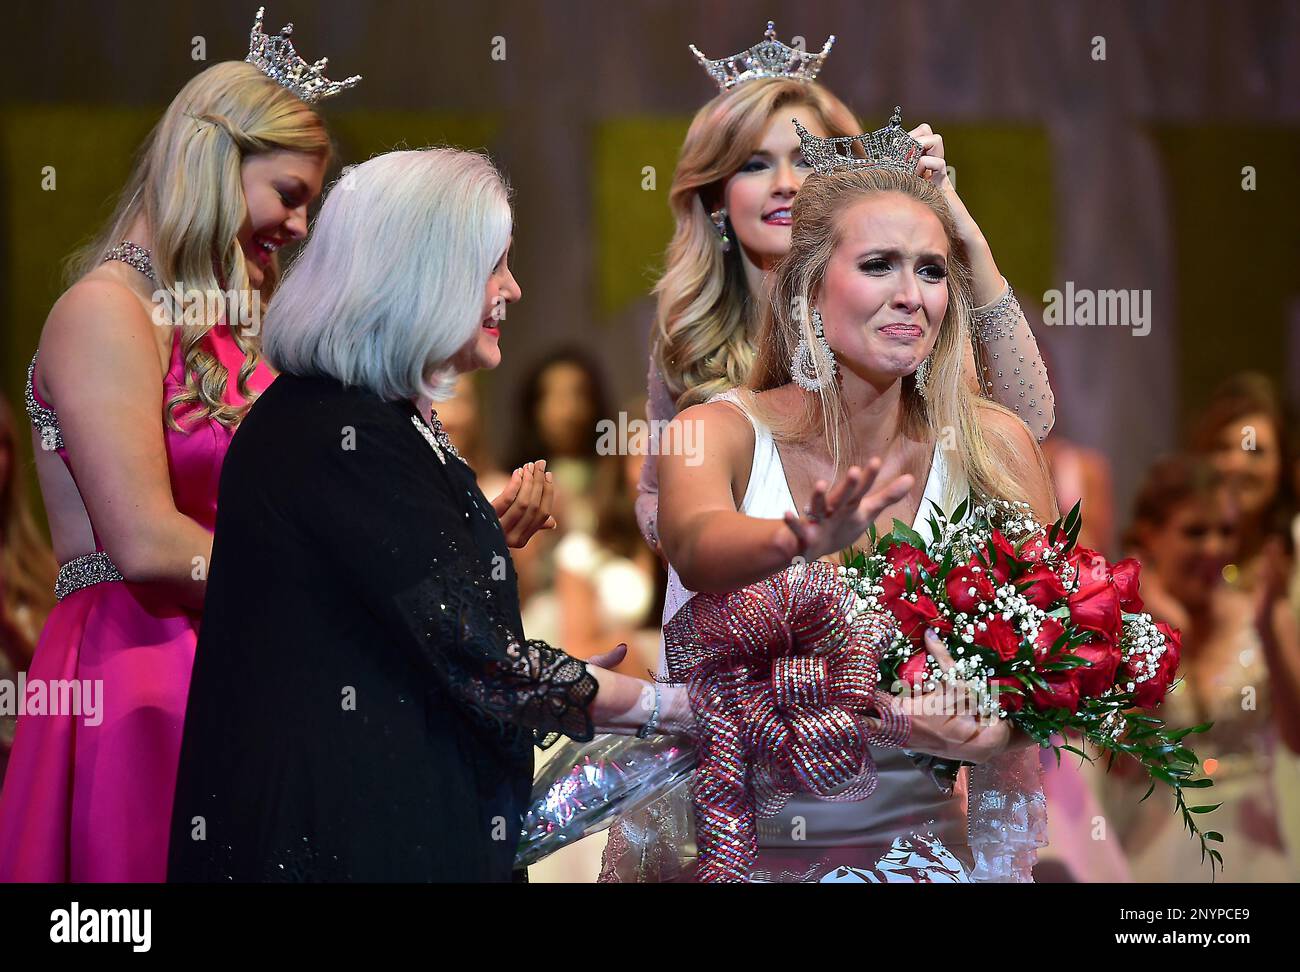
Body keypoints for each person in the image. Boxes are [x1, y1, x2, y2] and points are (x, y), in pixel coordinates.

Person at [166, 147, 691, 883]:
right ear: (421, 272)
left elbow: (431, 631)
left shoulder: (386, 419)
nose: (513, 287)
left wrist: (552, 676)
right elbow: (477, 658)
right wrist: (668, 708)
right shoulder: (334, 429)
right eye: (493, 264)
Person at [603, 114, 1054, 883]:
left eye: (934, 270)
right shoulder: (716, 428)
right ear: (809, 289)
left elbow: (1060, 663)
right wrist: (798, 540)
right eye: (880, 265)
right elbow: (695, 544)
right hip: (732, 850)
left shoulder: (994, 445)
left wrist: (996, 731)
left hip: (928, 862)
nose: (913, 296)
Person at [0, 7, 354, 882]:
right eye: (290, 195)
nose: (301, 228)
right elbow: (149, 543)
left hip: (230, 657)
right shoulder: (103, 312)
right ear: (215, 162)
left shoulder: (221, 325)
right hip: (135, 677)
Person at [636, 22, 1056, 555]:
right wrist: (711, 522)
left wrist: (965, 236)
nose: (786, 183)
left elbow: (1027, 426)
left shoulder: (905, 324)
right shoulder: (690, 337)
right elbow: (655, 497)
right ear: (717, 195)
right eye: (755, 164)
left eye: (806, 158)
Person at [1115, 454, 1299, 881]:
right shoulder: (1126, 627)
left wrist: (1270, 628)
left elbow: (1298, 738)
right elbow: (1122, 763)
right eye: (1195, 532)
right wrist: (1163, 638)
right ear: (1150, 536)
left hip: (1256, 847)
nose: (1214, 548)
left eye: (1226, 532)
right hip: (1158, 845)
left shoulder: (1265, 613)